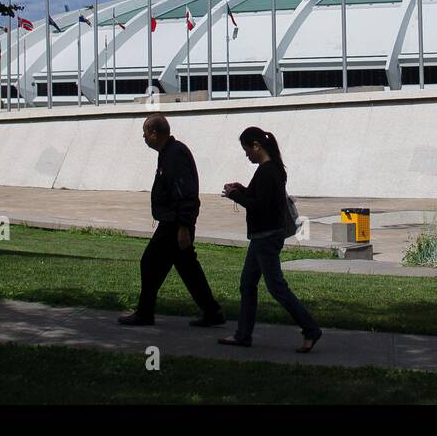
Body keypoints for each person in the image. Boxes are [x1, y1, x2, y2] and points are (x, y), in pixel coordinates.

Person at [219, 126, 321, 353]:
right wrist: (242, 189)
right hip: (264, 236)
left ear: (256, 145)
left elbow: (260, 207)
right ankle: (243, 335)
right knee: (247, 284)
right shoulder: (273, 168)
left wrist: (234, 195)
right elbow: (261, 197)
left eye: (247, 150)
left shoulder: (267, 171)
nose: (246, 155)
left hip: (265, 237)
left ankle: (311, 329)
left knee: (276, 287)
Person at [118, 114, 224, 327]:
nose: (144, 138)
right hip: (175, 222)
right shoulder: (169, 153)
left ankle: (145, 313)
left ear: (154, 133)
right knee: (187, 268)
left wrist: (184, 227)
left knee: (149, 262)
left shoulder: (175, 154)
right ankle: (212, 312)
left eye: (145, 133)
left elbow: (185, 192)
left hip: (174, 224)